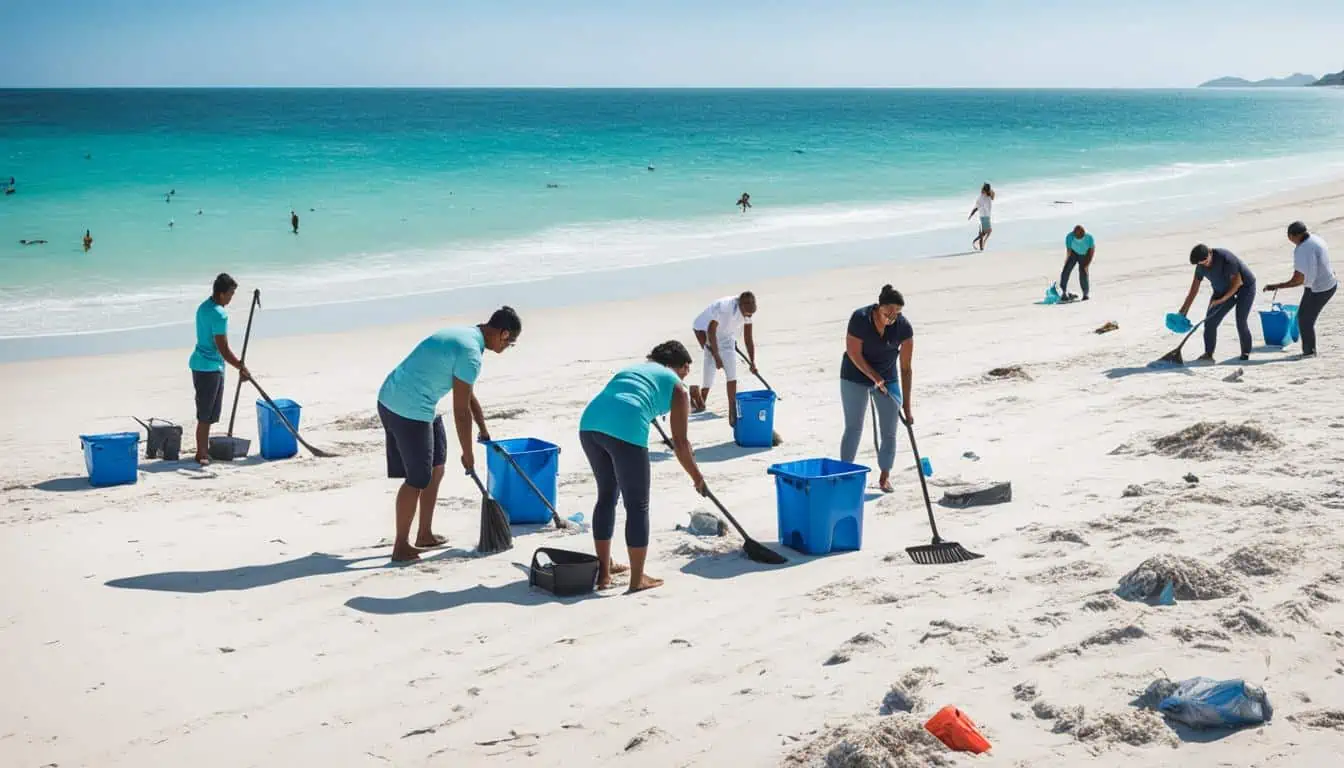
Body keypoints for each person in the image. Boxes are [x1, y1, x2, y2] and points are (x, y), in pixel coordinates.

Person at [376, 307, 521, 561]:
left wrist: (483, 428)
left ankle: (425, 534)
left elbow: (466, 392)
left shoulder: (465, 336)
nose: (507, 348)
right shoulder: (471, 354)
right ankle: (400, 546)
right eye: (510, 343)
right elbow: (460, 410)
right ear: (502, 334)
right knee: (418, 478)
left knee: (437, 466)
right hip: (407, 407)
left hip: (401, 397)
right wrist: (468, 453)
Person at [578, 341, 707, 593]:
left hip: (590, 424)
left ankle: (603, 575)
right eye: (685, 371)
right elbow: (680, 443)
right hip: (625, 427)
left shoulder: (635, 370)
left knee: (606, 497)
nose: (684, 377)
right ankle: (637, 579)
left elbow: (626, 398)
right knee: (637, 505)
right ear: (680, 366)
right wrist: (697, 478)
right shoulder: (678, 387)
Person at [839, 285, 915, 493]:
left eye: (896, 313)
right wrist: (874, 377)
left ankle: (884, 476)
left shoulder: (903, 327)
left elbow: (906, 369)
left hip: (888, 378)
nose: (892, 318)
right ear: (878, 307)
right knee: (853, 427)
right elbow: (853, 353)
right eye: (887, 312)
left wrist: (907, 408)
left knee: (889, 431)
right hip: (854, 375)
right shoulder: (860, 318)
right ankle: (845, 475)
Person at [189, 273, 250, 466]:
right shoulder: (219, 314)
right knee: (205, 414)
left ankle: (203, 449)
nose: (232, 297)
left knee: (208, 413)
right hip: (209, 367)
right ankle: (201, 453)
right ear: (222, 294)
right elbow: (222, 348)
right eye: (231, 293)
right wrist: (240, 365)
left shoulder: (203, 307)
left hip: (201, 364)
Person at [1265, 221, 1336, 358]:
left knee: (1304, 319)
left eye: (1289, 237)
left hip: (1321, 289)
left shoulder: (1302, 249)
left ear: (1294, 236)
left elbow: (1298, 280)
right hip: (1328, 282)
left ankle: (1309, 352)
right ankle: (1309, 349)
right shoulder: (1315, 238)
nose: (1289, 240)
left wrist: (1276, 286)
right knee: (1304, 317)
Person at [1178, 244, 1256, 362]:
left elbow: (1237, 283)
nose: (1205, 264)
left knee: (1241, 320)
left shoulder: (1226, 258)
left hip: (1244, 288)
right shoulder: (1200, 266)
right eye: (1201, 263)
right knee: (1209, 322)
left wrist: (1220, 301)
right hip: (1221, 290)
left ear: (1210, 252)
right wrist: (1184, 311)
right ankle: (1208, 354)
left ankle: (1245, 352)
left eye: (1205, 261)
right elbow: (1194, 290)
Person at [688, 291, 757, 424]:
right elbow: (711, 330)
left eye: (751, 314)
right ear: (741, 306)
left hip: (726, 338)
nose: (749, 316)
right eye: (747, 314)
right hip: (705, 333)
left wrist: (752, 362)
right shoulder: (725, 308)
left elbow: (748, 339)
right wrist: (716, 355)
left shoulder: (748, 311)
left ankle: (732, 409)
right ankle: (699, 397)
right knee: (709, 373)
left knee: (732, 376)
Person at [1060, 225, 1096, 301]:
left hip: (1084, 254)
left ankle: (1085, 294)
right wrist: (1067, 260)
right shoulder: (1069, 237)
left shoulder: (1089, 238)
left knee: (1083, 272)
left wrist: (1087, 264)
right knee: (1066, 270)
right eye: (1077, 237)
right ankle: (1063, 292)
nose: (1079, 239)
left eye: (1081, 238)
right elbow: (1069, 250)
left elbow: (1091, 251)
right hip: (1073, 253)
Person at [968, 183, 995, 250]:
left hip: (985, 216)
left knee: (984, 232)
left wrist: (971, 214)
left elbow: (993, 197)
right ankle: (978, 242)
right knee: (988, 231)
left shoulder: (988, 196)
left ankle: (981, 246)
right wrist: (971, 214)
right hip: (985, 216)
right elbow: (976, 207)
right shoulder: (981, 197)